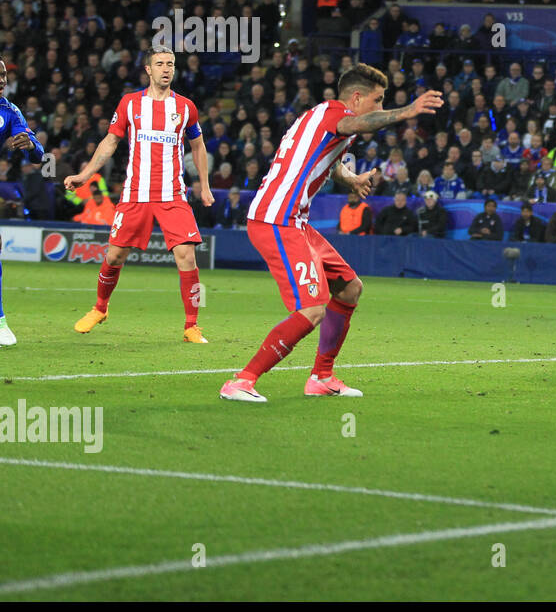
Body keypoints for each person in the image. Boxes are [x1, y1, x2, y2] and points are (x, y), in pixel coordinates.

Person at [220, 65, 441, 402]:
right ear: (356, 97)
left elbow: (328, 157)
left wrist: (350, 178)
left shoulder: (321, 117)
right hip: (275, 219)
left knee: (350, 288)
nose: (380, 108)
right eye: (377, 100)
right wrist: (408, 111)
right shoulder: (338, 115)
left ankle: (322, 376)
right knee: (311, 310)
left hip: (295, 221)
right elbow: (358, 123)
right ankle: (242, 381)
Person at [66, 45, 215, 342]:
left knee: (187, 257)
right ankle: (100, 308)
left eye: (170, 64)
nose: (166, 69)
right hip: (136, 194)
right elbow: (110, 142)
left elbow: (198, 145)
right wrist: (85, 176)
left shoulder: (185, 107)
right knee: (115, 255)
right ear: (148, 69)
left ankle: (191, 325)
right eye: (159, 64)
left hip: (172, 195)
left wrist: (205, 185)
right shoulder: (130, 104)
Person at [0, 61, 45, 345]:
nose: (1, 79)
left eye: (3, 74)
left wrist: (31, 146)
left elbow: (38, 152)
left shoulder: (9, 111)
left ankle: (0, 321)